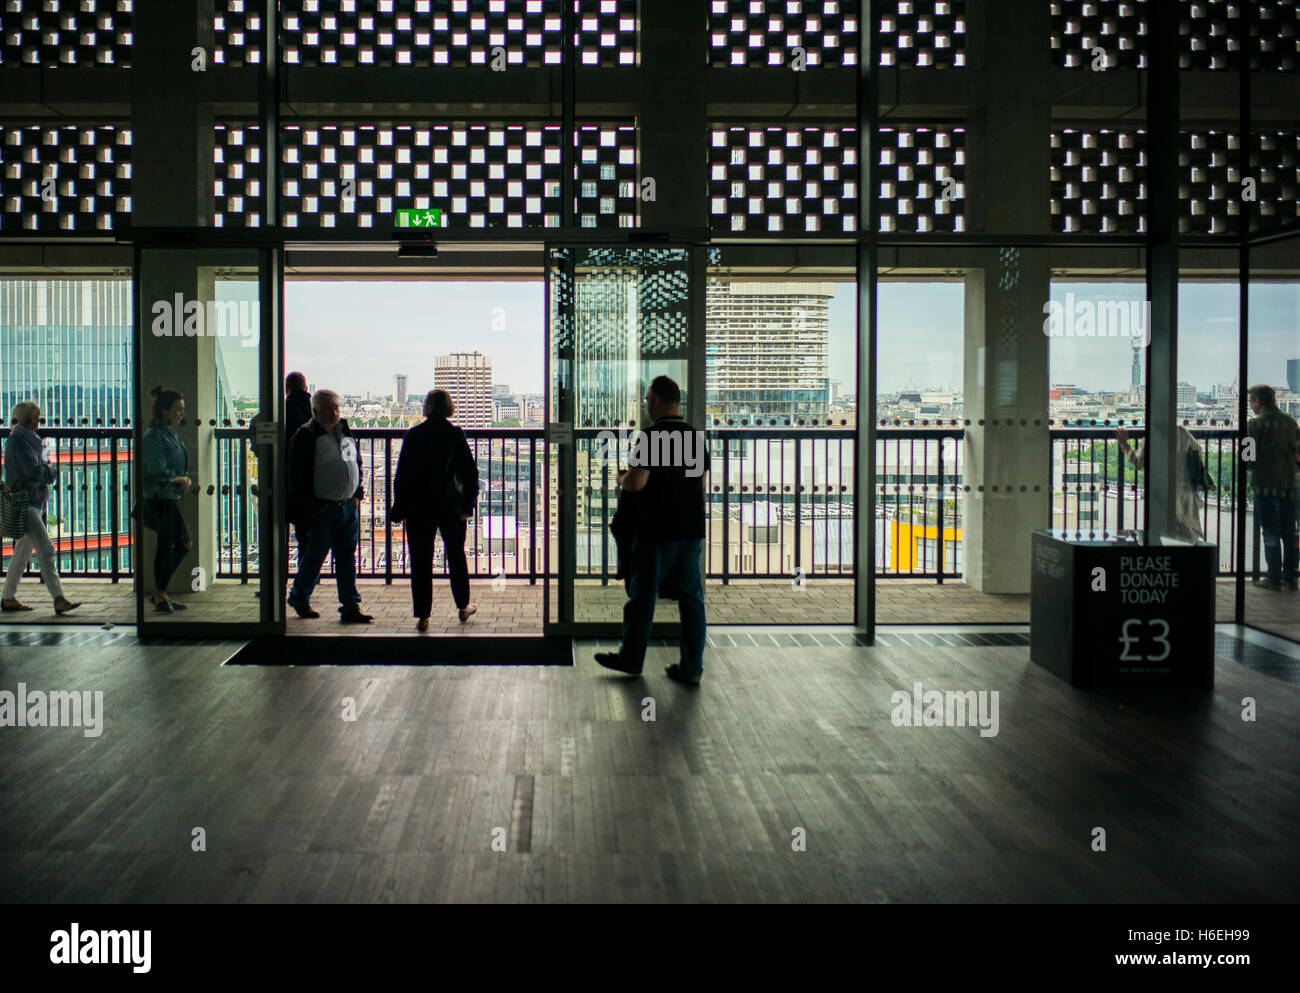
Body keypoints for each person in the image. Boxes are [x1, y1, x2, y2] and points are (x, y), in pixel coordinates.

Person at [595, 375, 709, 685]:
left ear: (657, 401)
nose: (646, 404)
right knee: (691, 599)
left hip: (657, 530)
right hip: (691, 529)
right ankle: (692, 667)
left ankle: (631, 659)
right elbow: (699, 485)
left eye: (647, 399)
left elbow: (637, 482)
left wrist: (621, 479)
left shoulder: (650, 437)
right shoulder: (693, 438)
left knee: (643, 598)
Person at [390, 389, 480, 631]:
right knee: (456, 556)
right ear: (449, 407)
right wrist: (467, 506)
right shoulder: (455, 435)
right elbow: (470, 474)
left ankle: (423, 615)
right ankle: (463, 606)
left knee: (421, 561)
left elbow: (402, 477)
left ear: (426, 407)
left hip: (419, 507)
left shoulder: (413, 436)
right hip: (451, 506)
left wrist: (400, 507)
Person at [287, 389, 373, 622]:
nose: (334, 412)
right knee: (316, 556)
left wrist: (356, 495)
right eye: (328, 408)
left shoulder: (343, 431)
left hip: (347, 506)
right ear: (315, 411)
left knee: (346, 557)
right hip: (323, 508)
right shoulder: (305, 437)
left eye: (336, 406)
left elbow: (353, 462)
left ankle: (350, 605)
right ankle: (299, 597)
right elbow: (298, 476)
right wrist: (315, 507)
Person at [2, 401, 79, 615]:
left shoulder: (27, 438)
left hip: (31, 500)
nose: (39, 420)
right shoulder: (20, 439)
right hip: (26, 501)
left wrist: (46, 469)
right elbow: (35, 471)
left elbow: (38, 468)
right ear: (27, 419)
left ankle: (8, 598)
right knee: (46, 549)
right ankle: (58, 598)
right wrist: (50, 471)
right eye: (36, 416)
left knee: (22, 553)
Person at [141, 387, 195, 613]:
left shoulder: (168, 433)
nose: (182, 413)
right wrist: (178, 479)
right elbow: (156, 469)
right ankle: (159, 593)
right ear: (165, 410)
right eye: (178, 409)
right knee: (184, 543)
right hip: (160, 497)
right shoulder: (154, 436)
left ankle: (160, 595)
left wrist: (182, 479)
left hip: (167, 495)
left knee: (165, 545)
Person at [1245, 384, 1299, 590]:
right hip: (1289, 484)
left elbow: (1247, 457)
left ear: (1258, 401)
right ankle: (1292, 576)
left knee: (1270, 532)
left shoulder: (1254, 425)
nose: (1250, 406)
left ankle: (1274, 578)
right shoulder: (1290, 422)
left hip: (1265, 484)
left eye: (1251, 401)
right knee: (1289, 532)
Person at [1115, 424, 1207, 540]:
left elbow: (1137, 461)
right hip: (1186, 495)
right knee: (1187, 539)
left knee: (1163, 539)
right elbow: (1197, 450)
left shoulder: (1153, 436)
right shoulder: (1182, 431)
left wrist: (1125, 444)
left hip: (1163, 498)